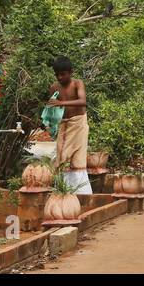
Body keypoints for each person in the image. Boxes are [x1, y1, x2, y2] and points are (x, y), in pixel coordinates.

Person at [48, 57, 91, 195]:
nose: (60, 77)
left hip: (78, 124)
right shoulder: (54, 87)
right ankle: (63, 192)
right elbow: (52, 108)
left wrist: (60, 103)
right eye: (57, 75)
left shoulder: (78, 83)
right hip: (64, 125)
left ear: (70, 72)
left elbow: (82, 101)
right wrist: (49, 122)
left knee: (76, 158)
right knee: (62, 156)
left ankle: (81, 193)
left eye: (63, 74)